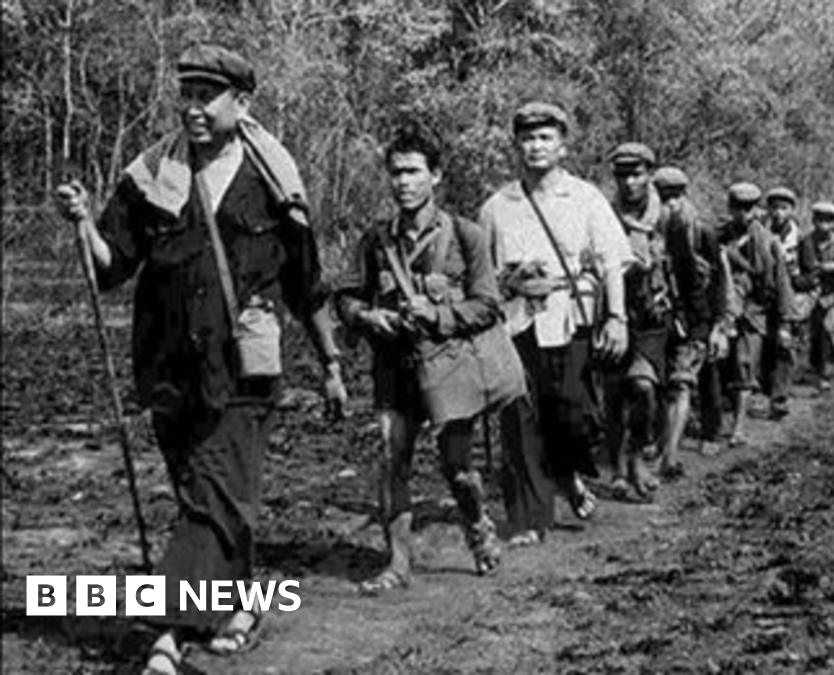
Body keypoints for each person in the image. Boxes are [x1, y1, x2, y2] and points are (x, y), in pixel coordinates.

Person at [54, 44, 347, 675]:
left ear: (240, 104)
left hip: (245, 367)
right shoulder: (150, 174)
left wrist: (330, 364)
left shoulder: (273, 179)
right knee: (213, 495)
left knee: (209, 495)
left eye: (204, 95)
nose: (190, 107)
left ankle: (165, 633)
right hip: (167, 369)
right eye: (184, 93)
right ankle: (239, 605)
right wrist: (82, 225)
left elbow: (307, 282)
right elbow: (111, 266)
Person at [333, 121, 504, 592]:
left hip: (451, 367)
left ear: (436, 175)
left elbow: (488, 305)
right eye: (395, 172)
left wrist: (439, 312)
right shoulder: (376, 240)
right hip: (394, 366)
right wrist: (368, 317)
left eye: (412, 172)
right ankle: (398, 564)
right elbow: (345, 297)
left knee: (457, 467)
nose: (403, 182)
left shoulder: (467, 236)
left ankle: (477, 527)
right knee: (393, 458)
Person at [479, 102, 632, 546]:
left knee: (570, 414)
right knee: (520, 416)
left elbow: (611, 264)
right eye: (527, 138)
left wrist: (617, 318)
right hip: (515, 323)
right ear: (516, 146)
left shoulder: (584, 198)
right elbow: (482, 274)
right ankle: (529, 518)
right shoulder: (496, 206)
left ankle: (566, 473)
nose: (536, 147)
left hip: (570, 318)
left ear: (563, 146)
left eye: (546, 138)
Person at [604, 142, 671, 500]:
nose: (629, 181)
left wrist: (706, 324)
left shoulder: (668, 216)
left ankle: (639, 454)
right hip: (612, 314)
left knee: (644, 389)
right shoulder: (603, 213)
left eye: (637, 173)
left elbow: (689, 269)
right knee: (614, 397)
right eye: (622, 174)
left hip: (652, 318)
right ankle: (617, 469)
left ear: (649, 174)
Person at [653, 166, 730, 476]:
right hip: (664, 318)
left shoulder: (702, 233)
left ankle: (676, 452)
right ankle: (661, 442)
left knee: (689, 383)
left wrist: (719, 325)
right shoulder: (649, 231)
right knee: (660, 386)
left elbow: (719, 280)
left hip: (699, 316)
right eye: (663, 197)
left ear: (685, 196)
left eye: (675, 197)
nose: (670, 204)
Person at [719, 182, 795, 445]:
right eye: (738, 207)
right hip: (721, 310)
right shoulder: (719, 237)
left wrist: (785, 323)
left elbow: (782, 283)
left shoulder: (768, 242)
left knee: (744, 364)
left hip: (754, 311)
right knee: (717, 366)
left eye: (749, 208)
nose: (743, 213)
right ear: (730, 208)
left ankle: (738, 428)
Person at [795, 202, 834, 390]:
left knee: (829, 329)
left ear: (833, 223)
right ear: (814, 221)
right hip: (811, 294)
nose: (823, 224)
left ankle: (831, 375)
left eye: (828, 220)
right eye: (819, 219)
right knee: (813, 334)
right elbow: (798, 270)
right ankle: (815, 370)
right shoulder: (805, 242)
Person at [762, 187, 803, 418]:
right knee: (768, 347)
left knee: (785, 347)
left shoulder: (798, 239)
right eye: (774, 207)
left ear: (791, 210)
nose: (778, 213)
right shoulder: (761, 233)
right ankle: (768, 394)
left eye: (783, 208)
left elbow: (809, 273)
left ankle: (780, 399)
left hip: (790, 298)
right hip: (766, 297)